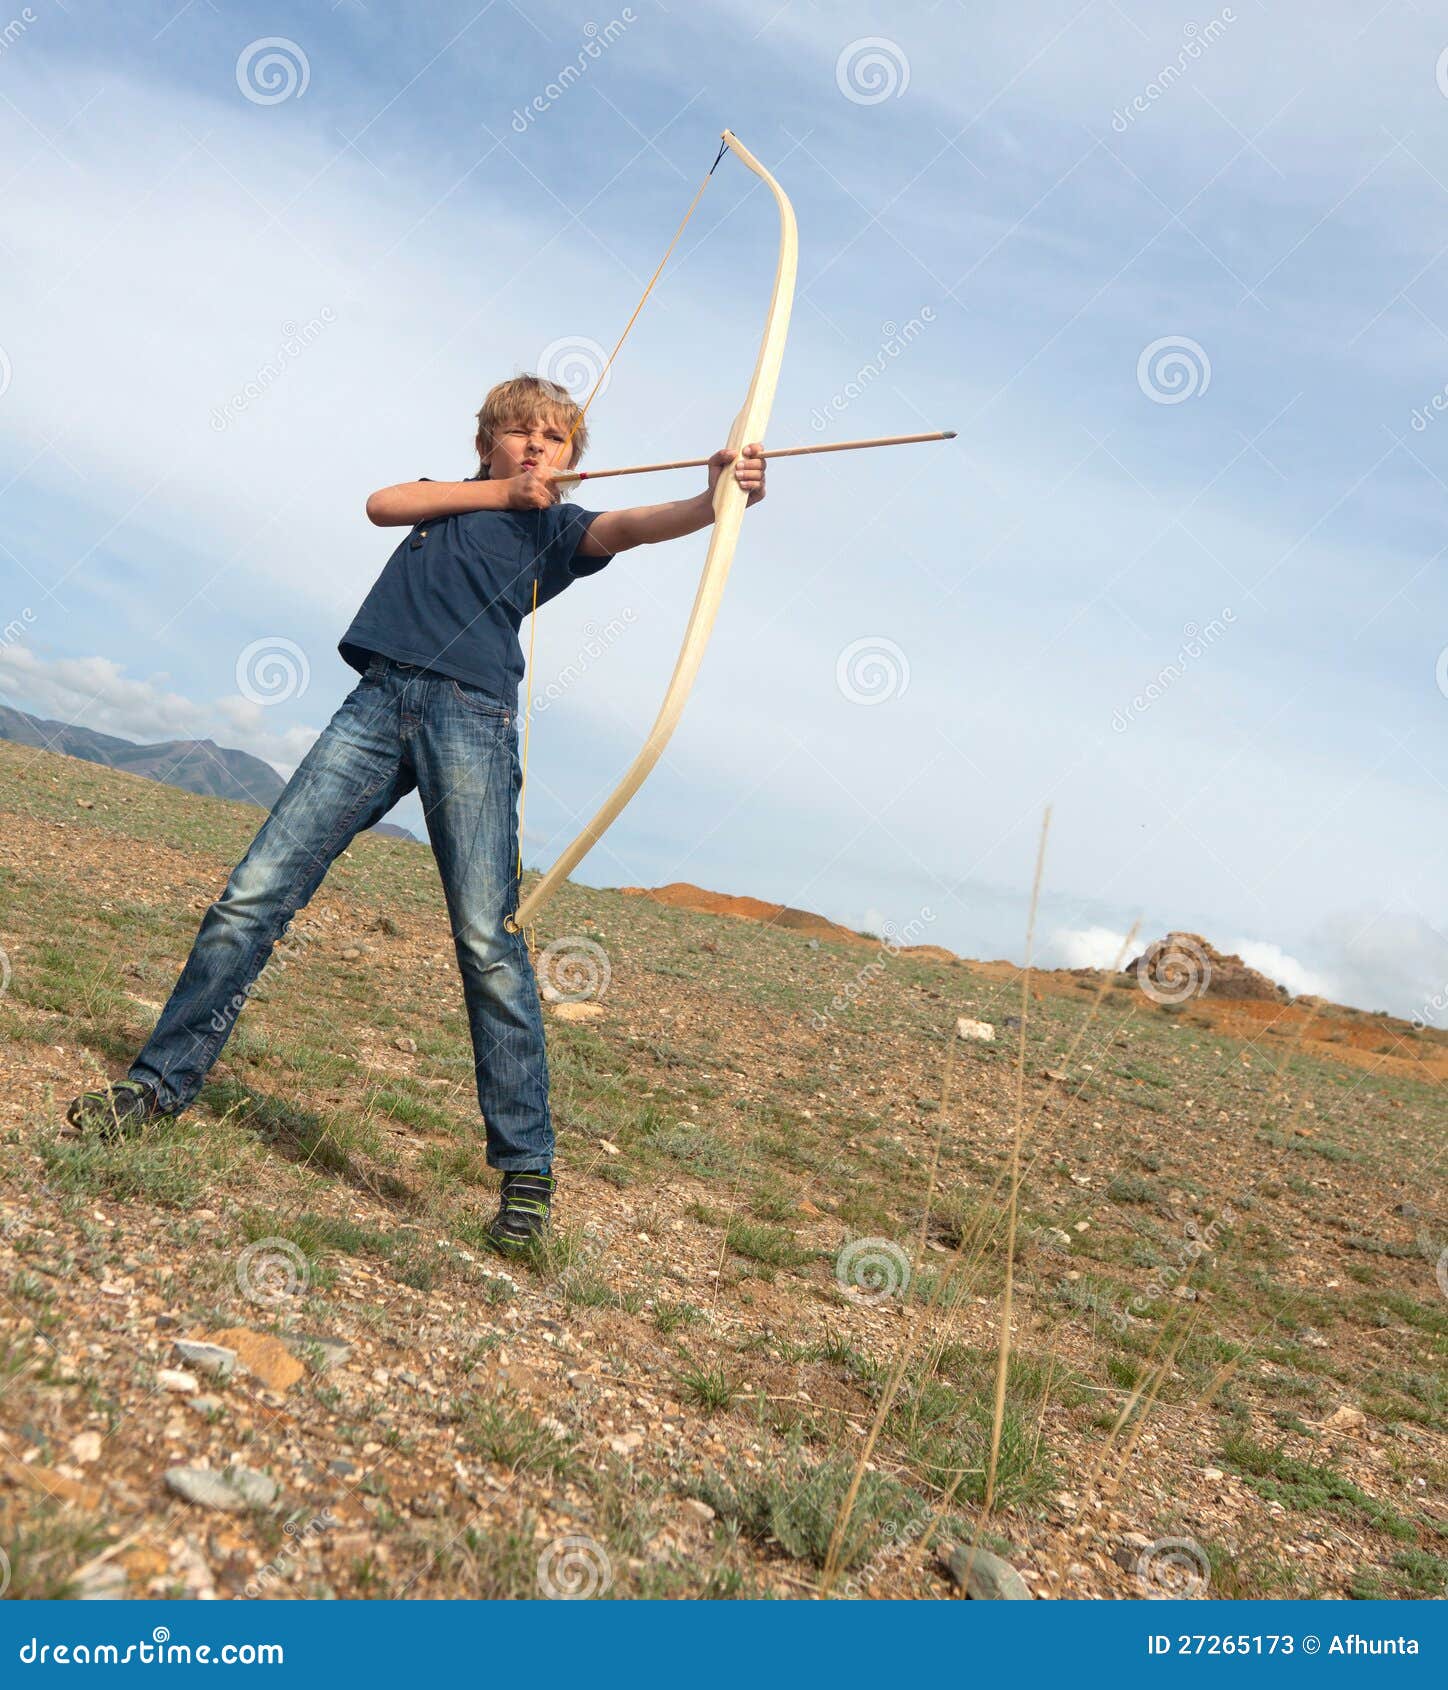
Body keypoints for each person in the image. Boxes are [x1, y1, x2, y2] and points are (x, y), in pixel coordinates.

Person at [66, 373, 766, 1250]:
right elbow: (379, 502)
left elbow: (636, 524)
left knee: (485, 938)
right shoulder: (444, 500)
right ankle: (157, 1085)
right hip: (375, 705)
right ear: (489, 442)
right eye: (523, 433)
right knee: (254, 894)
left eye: (557, 440)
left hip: (472, 717)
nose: (540, 447)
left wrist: (715, 496)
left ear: (573, 463)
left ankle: (526, 1173)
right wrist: (500, 490)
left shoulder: (559, 528)